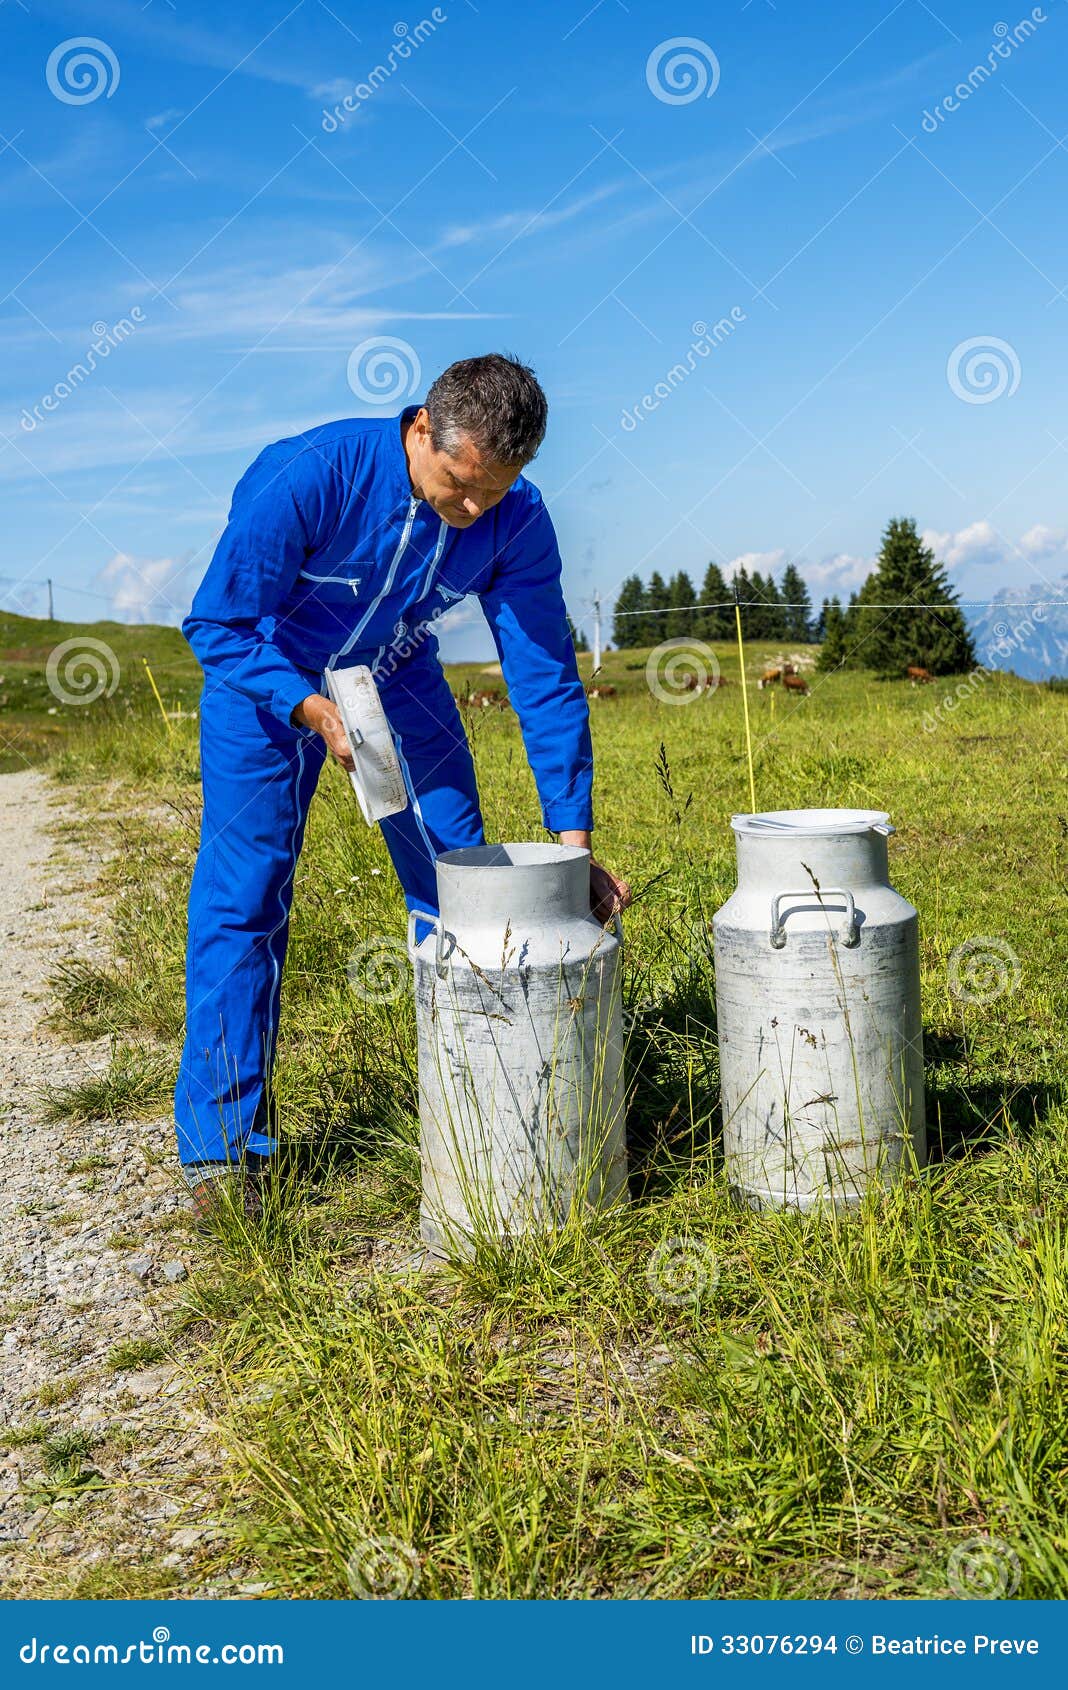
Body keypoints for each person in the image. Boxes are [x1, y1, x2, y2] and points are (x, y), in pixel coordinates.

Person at [175, 353, 631, 1216]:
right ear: (422, 429)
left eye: (493, 495)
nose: (473, 512)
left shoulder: (515, 519)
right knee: (247, 896)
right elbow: (217, 622)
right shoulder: (313, 477)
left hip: (396, 670)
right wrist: (309, 709)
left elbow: (543, 678)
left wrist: (574, 851)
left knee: (461, 875)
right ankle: (223, 1153)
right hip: (267, 674)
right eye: (459, 488)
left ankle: (480, 1099)